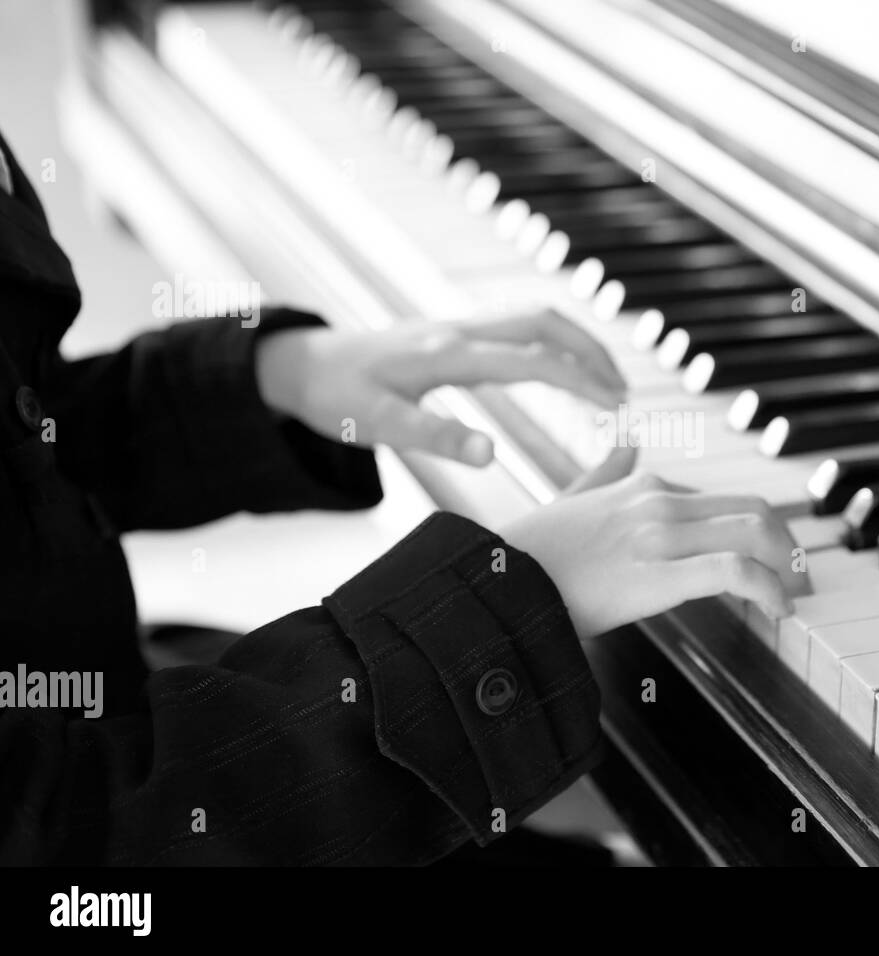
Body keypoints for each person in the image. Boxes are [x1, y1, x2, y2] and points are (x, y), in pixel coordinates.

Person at [0, 129, 806, 864]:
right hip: (149, 813)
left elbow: (27, 434)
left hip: (110, 696)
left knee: (619, 766)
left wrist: (260, 381)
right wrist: (494, 609)